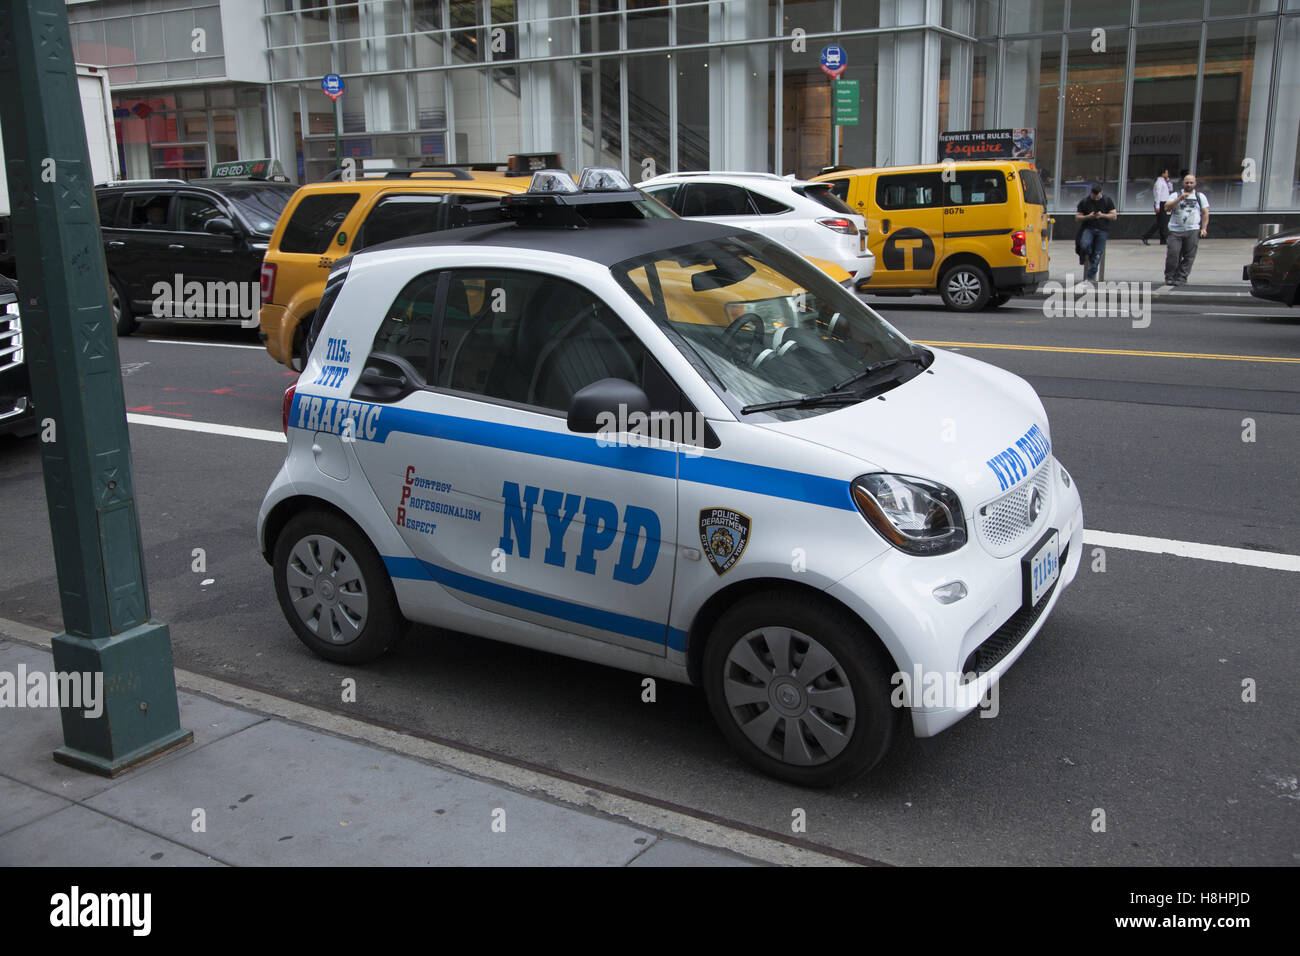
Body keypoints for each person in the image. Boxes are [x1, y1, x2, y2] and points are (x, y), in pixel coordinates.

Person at [1163, 173, 1209, 286]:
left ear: (1195, 183)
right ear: (1183, 183)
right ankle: (1170, 276)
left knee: (1189, 256)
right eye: (1187, 182)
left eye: (1191, 182)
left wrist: (1204, 228)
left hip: (1192, 230)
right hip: (1175, 230)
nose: (1189, 184)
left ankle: (1182, 277)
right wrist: (1180, 199)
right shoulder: (1175, 195)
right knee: (1173, 254)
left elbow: (1205, 213)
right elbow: (1167, 208)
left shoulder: (1200, 196)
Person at [1074, 183, 1117, 282]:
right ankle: (1089, 254)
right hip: (1089, 228)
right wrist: (1088, 217)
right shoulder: (1085, 202)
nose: (1096, 198)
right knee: (1084, 245)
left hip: (1102, 230)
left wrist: (1102, 215)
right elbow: (1077, 217)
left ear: (1101, 192)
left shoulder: (1107, 201)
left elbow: (1114, 216)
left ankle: (1090, 276)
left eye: (1097, 195)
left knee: (1098, 254)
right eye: (1094, 195)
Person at [1142, 168, 1173, 245]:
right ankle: (1146, 236)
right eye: (1166, 173)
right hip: (1161, 203)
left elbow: (1171, 189)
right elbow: (1157, 195)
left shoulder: (1164, 182)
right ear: (1163, 174)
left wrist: (1168, 181)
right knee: (1160, 222)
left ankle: (1163, 239)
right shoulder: (1159, 182)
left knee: (1162, 222)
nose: (1167, 174)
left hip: (1165, 203)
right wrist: (1157, 205)